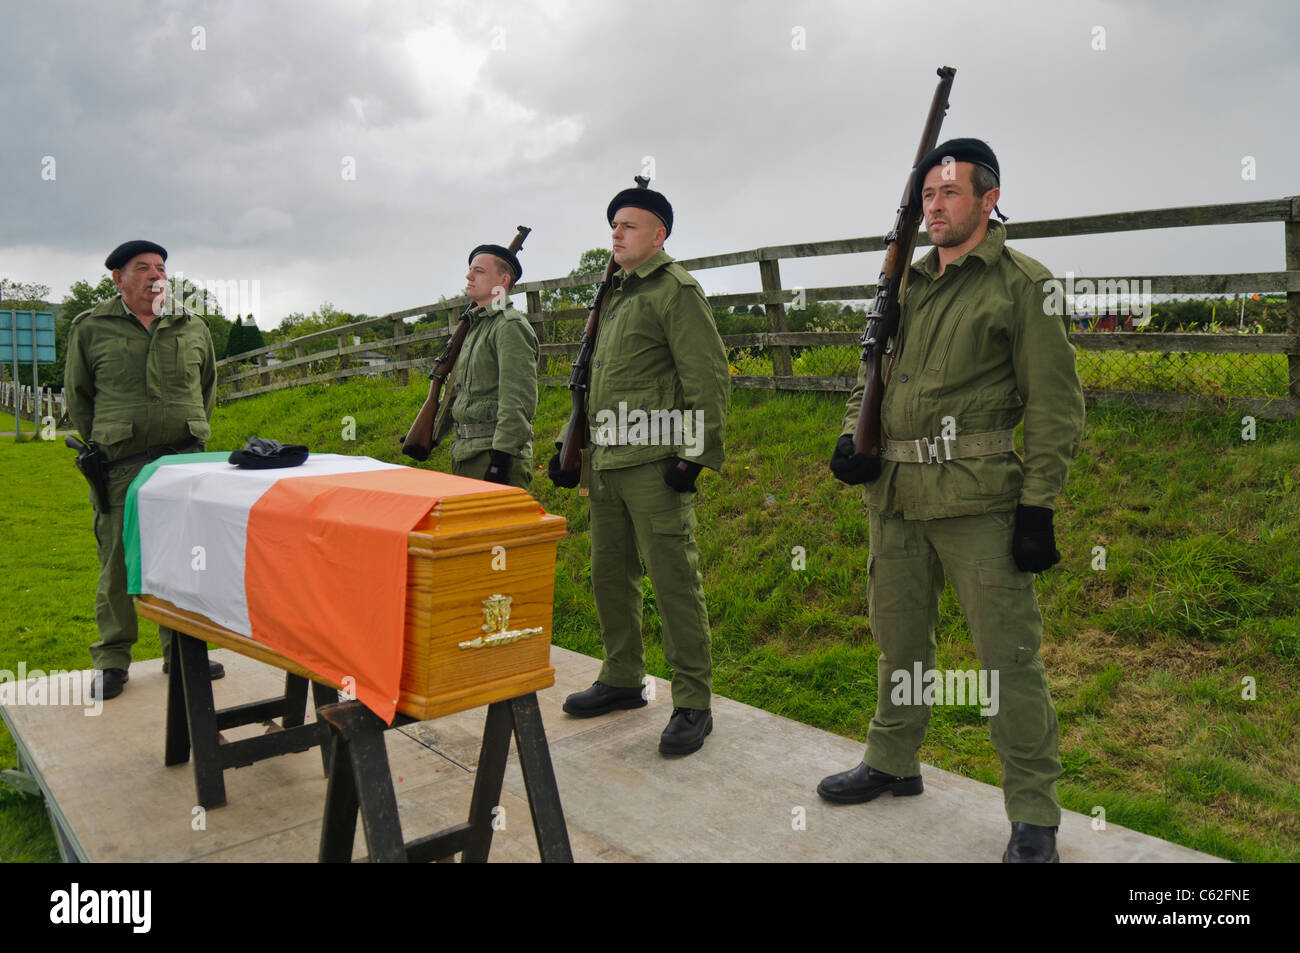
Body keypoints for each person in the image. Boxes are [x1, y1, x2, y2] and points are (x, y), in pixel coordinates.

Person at [821, 139, 1085, 862]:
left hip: (979, 502)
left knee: (1008, 660)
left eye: (950, 194)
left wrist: (1039, 506)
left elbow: (1056, 406)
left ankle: (1034, 812)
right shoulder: (905, 284)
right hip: (896, 497)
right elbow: (870, 372)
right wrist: (854, 438)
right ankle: (893, 760)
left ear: (988, 198)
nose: (934, 207)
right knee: (898, 643)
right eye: (926, 197)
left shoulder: (1023, 284)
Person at [549, 184, 730, 756]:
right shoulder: (615, 295)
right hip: (604, 464)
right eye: (613, 226)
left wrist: (695, 456)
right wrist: (565, 445)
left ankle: (694, 703)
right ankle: (624, 677)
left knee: (675, 581)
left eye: (628, 225)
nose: (616, 234)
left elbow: (709, 378)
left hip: (654, 465)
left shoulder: (676, 292)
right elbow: (591, 383)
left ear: (660, 234)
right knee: (609, 576)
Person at [64, 240, 220, 700]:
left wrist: (189, 428)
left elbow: (207, 388)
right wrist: (110, 439)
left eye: (161, 267)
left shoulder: (193, 327)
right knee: (117, 560)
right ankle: (112, 660)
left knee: (185, 555)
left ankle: (182, 653)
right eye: (143, 268)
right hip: (120, 465)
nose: (156, 275)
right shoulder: (91, 327)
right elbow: (79, 396)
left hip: (184, 461)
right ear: (118, 277)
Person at [435, 243, 538, 490]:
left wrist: (500, 459)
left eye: (479, 271)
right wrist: (433, 433)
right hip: (465, 454)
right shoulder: (475, 328)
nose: (469, 276)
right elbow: (461, 394)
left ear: (503, 280)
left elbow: (517, 400)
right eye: (470, 270)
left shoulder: (509, 326)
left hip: (493, 457)